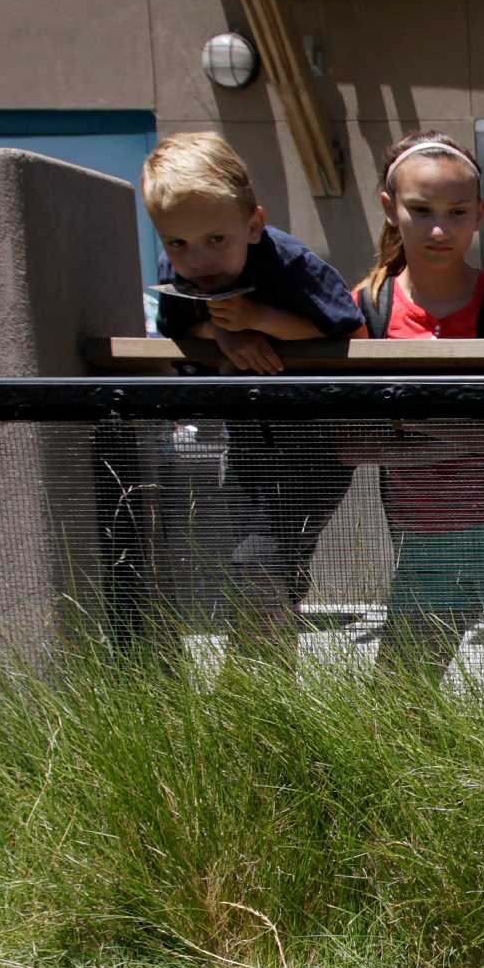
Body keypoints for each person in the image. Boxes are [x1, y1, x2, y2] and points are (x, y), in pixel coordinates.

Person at [342, 130, 484, 692]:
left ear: (479, 214)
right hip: (423, 535)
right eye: (422, 210)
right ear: (390, 209)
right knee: (402, 696)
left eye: (457, 211)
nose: (440, 229)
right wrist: (473, 430)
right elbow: (346, 441)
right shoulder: (366, 306)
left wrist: (413, 427)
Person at [142, 132, 365, 644]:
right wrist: (222, 332)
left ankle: (255, 678)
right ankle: (267, 683)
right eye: (177, 243)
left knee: (260, 561)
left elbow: (345, 327)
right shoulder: (181, 274)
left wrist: (259, 319)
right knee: (256, 565)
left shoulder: (291, 263)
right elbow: (178, 327)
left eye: (216, 240)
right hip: (246, 438)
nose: (198, 259)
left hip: (315, 439)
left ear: (253, 224)